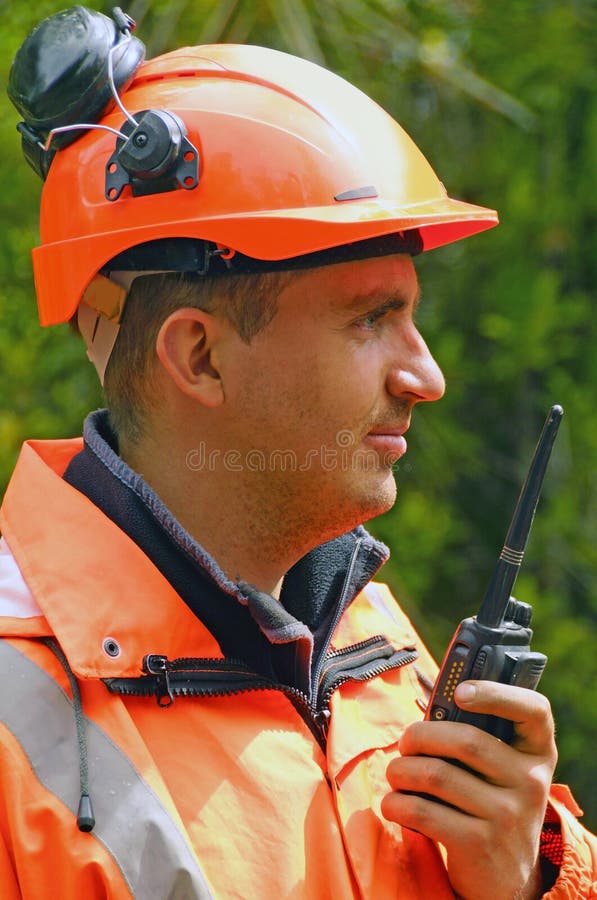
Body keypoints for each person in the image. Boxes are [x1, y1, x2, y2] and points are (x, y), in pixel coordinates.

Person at [1, 6, 595, 899]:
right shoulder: (18, 713)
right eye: (370, 320)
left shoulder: (372, 645)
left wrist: (528, 878)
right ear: (197, 356)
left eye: (411, 314)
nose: (425, 376)